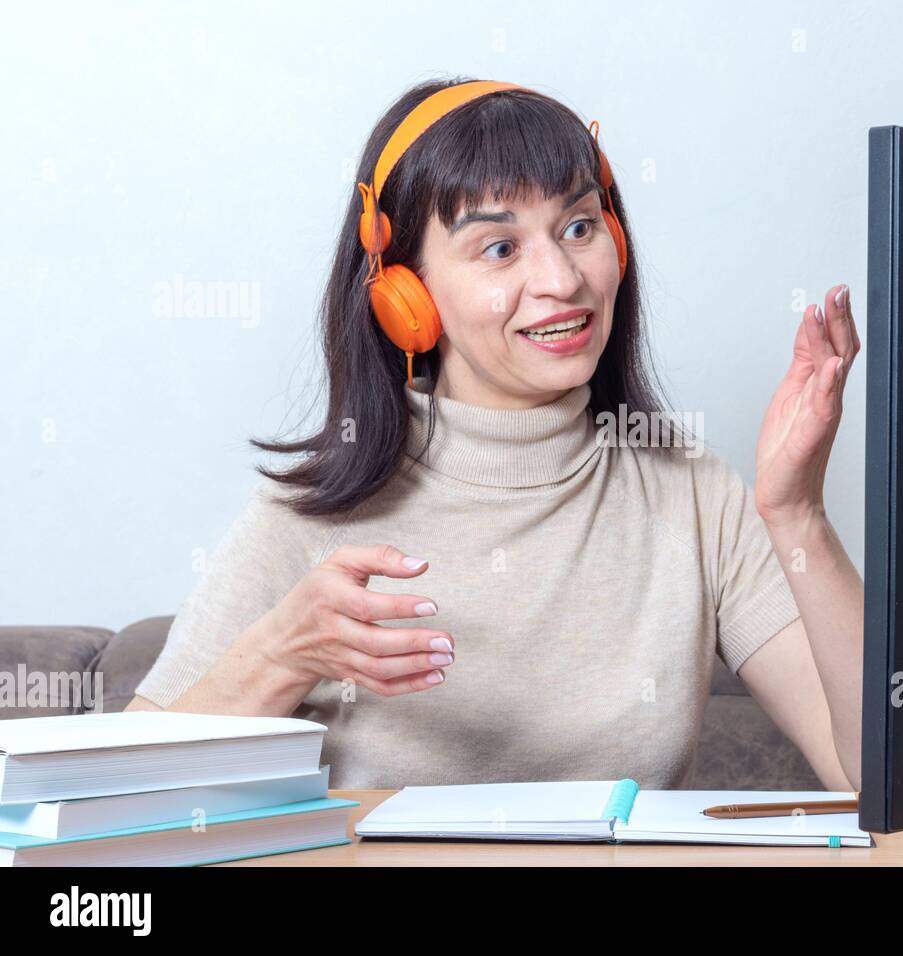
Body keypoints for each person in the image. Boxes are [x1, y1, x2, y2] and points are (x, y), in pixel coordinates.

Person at [127, 77, 864, 792]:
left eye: (579, 228)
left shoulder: (693, 496)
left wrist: (797, 511)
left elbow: (872, 774)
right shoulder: (309, 515)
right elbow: (118, 794)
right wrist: (281, 655)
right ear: (403, 295)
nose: (562, 280)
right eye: (500, 249)